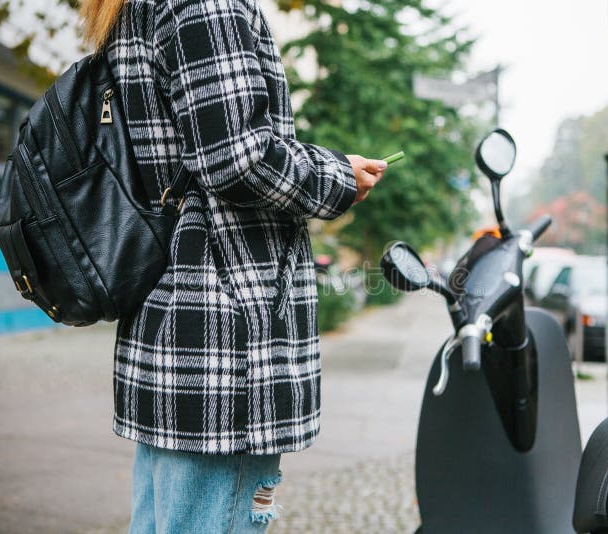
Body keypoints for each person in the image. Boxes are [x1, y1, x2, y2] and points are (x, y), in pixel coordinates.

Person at [79, 0, 387, 531]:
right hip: (227, 342)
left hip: (175, 325)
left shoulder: (134, 9)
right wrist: (336, 175)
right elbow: (235, 158)